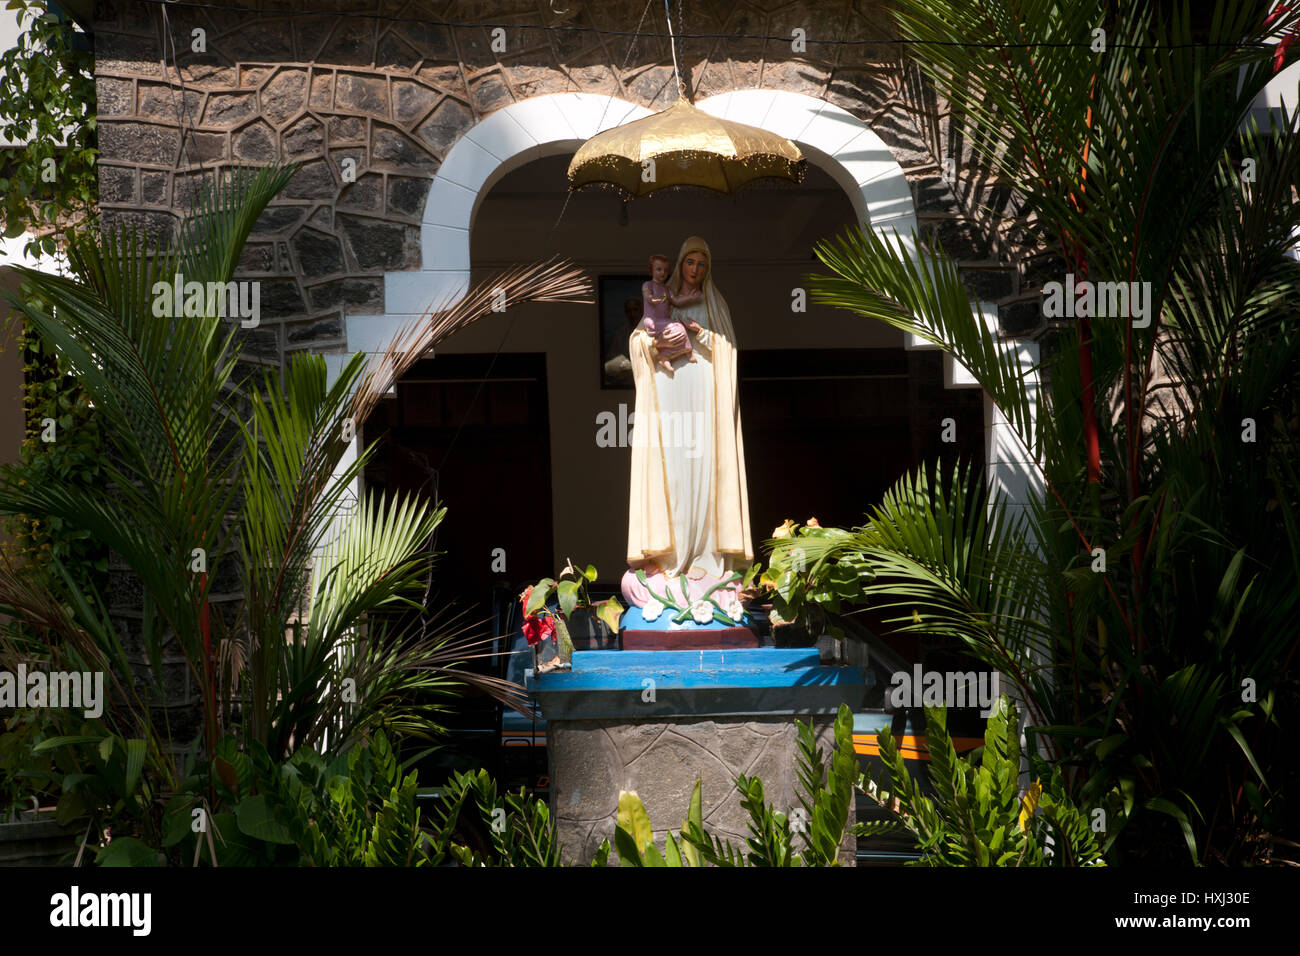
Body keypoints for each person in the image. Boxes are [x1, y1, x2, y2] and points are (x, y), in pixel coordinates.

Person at [622, 236, 753, 622]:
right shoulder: (659, 299)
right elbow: (637, 343)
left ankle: (707, 563)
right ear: (679, 265)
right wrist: (652, 341)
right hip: (669, 403)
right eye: (690, 263)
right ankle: (669, 563)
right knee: (673, 480)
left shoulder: (715, 304)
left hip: (704, 403)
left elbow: (727, 351)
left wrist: (697, 330)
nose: (695, 270)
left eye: (702, 264)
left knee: (705, 483)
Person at [641, 253, 700, 372]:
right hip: (653, 321)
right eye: (659, 269)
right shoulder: (648, 285)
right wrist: (650, 298)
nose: (662, 273)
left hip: (665, 321)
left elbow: (676, 300)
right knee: (677, 329)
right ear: (651, 271)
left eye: (665, 270)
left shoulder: (667, 289)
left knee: (679, 330)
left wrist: (689, 298)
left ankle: (665, 356)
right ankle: (687, 352)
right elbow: (646, 293)